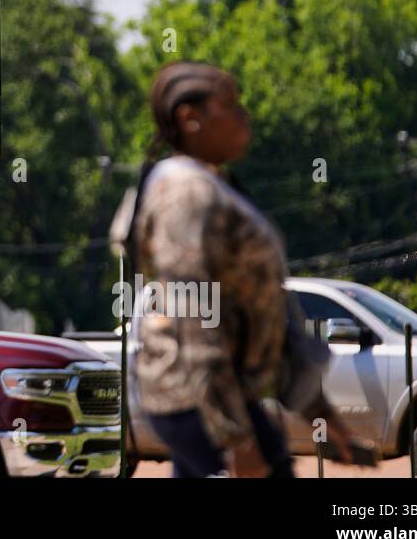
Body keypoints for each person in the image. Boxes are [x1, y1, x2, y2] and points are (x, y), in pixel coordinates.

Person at [120, 61, 347, 477]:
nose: (245, 116)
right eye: (230, 105)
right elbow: (194, 311)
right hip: (193, 398)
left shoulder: (212, 186)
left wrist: (316, 407)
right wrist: (235, 438)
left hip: (204, 398)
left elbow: (261, 306)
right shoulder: (187, 194)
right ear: (190, 119)